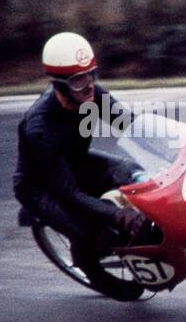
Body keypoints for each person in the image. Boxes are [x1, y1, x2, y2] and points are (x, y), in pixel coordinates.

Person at [14, 32, 148, 300]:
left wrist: (174, 145)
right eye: (78, 80)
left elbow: (131, 126)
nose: (88, 86)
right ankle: (91, 269)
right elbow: (68, 193)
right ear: (59, 85)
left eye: (91, 75)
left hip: (76, 161)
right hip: (42, 185)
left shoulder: (91, 94)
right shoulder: (39, 128)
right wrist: (119, 215)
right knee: (89, 229)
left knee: (135, 173)